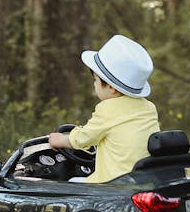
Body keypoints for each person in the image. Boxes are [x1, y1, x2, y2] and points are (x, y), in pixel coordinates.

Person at [48, 34, 160, 182]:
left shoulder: (108, 109)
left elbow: (84, 138)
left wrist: (60, 140)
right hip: (141, 179)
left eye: (95, 79)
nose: (94, 84)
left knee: (71, 183)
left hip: (113, 183)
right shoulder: (149, 107)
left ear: (111, 87)